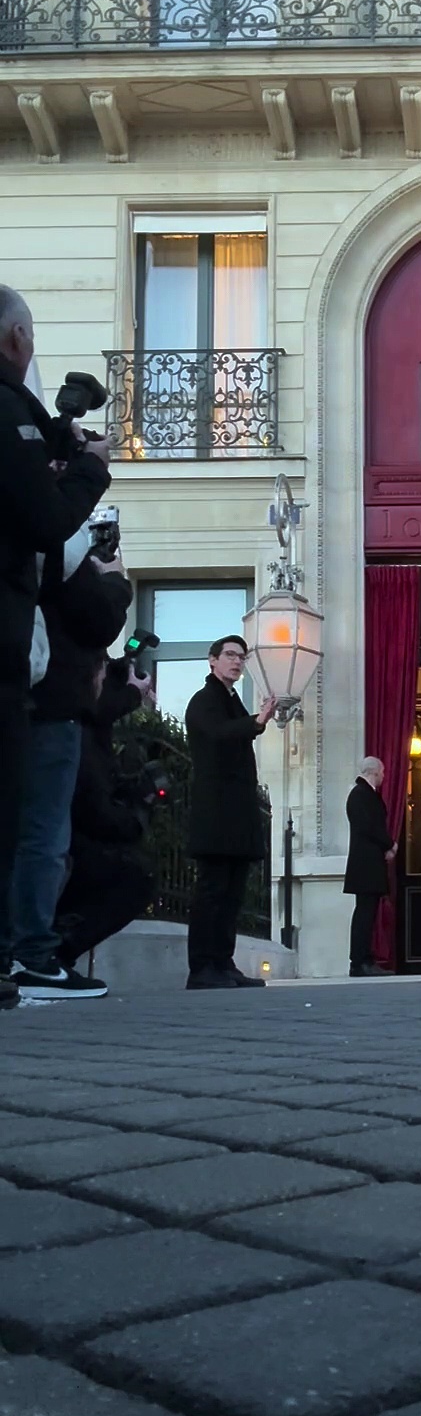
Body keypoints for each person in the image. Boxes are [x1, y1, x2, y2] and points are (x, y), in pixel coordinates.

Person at [0, 285, 112, 1009]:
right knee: (25, 823)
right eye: (30, 336)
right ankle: (27, 956)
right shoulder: (10, 413)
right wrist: (89, 472)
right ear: (14, 338)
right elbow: (45, 524)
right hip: (16, 660)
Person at [5, 526, 132, 1000]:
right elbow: (97, 619)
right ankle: (33, 956)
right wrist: (116, 582)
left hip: (27, 697)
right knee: (43, 834)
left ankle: (22, 954)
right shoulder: (54, 543)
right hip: (50, 701)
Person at [52, 656, 155, 980]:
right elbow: (92, 805)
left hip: (75, 838)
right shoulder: (79, 729)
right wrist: (133, 823)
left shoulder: (91, 732)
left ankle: (51, 949)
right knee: (134, 877)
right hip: (74, 841)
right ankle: (53, 949)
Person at [184, 636, 275, 990]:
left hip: (235, 813)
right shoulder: (204, 701)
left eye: (241, 657)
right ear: (213, 660)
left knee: (233, 891)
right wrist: (256, 722)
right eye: (230, 656)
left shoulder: (230, 700)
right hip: (216, 812)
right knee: (212, 890)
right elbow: (217, 734)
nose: (237, 662)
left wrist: (254, 722)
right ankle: (202, 966)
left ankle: (223, 961)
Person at [344, 755, 396, 977]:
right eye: (382, 772)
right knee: (365, 913)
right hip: (366, 863)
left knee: (367, 912)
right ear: (374, 772)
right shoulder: (361, 795)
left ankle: (364, 959)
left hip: (368, 862)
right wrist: (390, 844)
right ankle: (359, 961)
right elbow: (369, 827)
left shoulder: (364, 795)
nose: (384, 776)